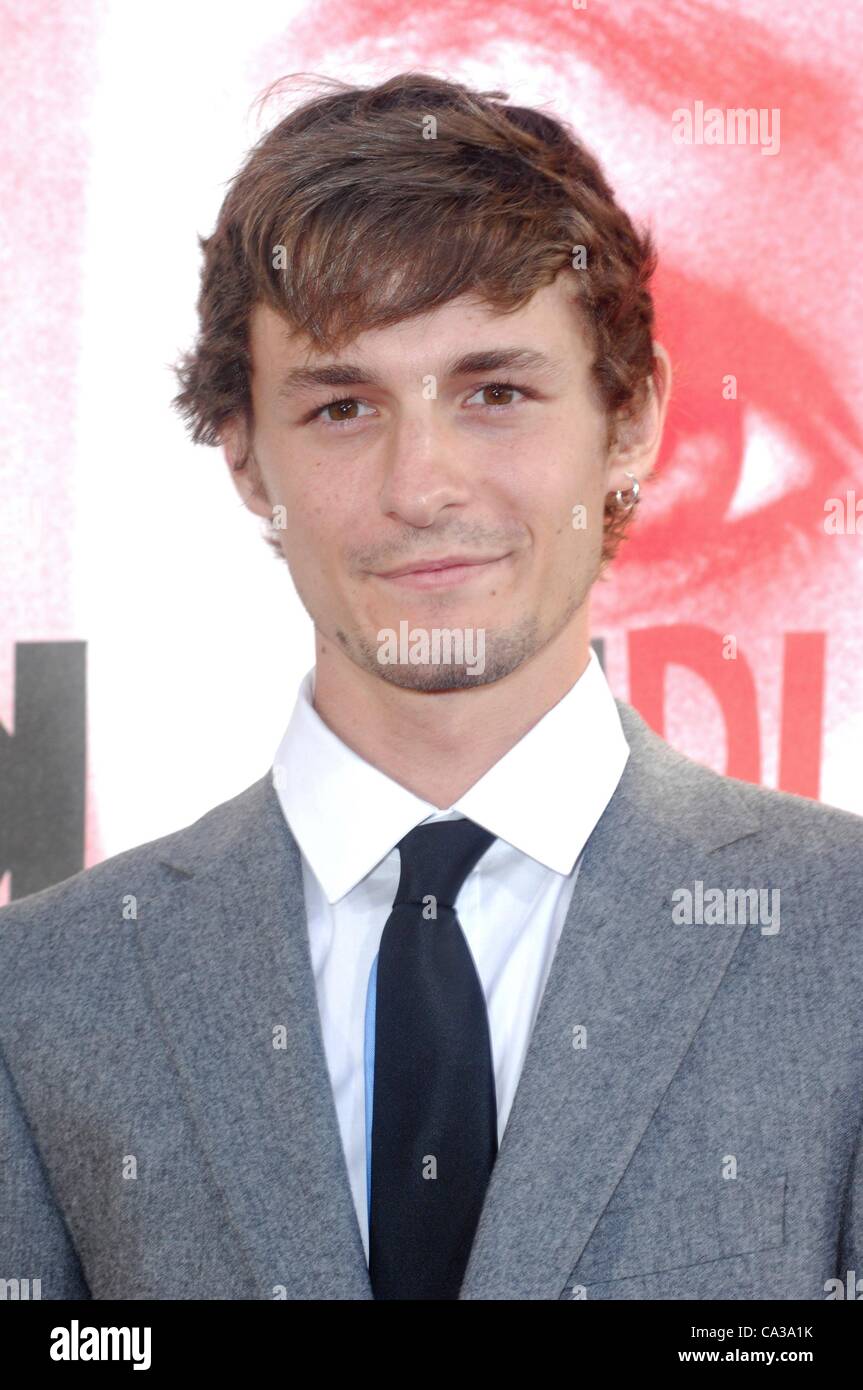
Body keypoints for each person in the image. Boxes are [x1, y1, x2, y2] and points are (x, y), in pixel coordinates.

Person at [1, 72, 861, 1302]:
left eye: (494, 393)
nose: (424, 484)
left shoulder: (842, 938)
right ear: (246, 457)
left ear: (630, 422)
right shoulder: (39, 992)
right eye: (343, 406)